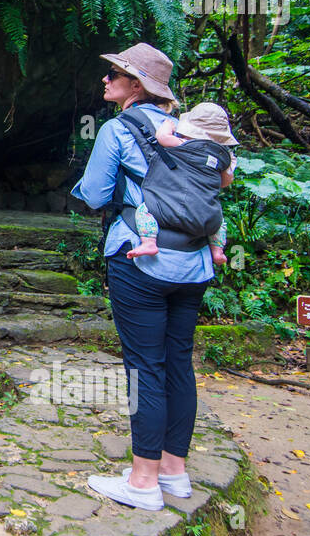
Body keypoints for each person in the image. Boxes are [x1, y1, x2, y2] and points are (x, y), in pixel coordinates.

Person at [72, 43, 230, 511]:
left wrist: (85, 187)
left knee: (145, 367)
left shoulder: (118, 129)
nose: (106, 80)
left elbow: (98, 195)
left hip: (141, 259)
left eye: (114, 73)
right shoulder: (193, 131)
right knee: (178, 362)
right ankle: (173, 472)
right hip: (197, 262)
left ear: (134, 85)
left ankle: (142, 482)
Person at [124, 102, 239, 266]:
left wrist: (167, 126)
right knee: (219, 223)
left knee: (144, 210)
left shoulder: (184, 145)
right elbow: (225, 182)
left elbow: (162, 138)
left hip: (169, 209)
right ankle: (217, 251)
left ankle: (149, 243)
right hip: (206, 216)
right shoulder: (222, 158)